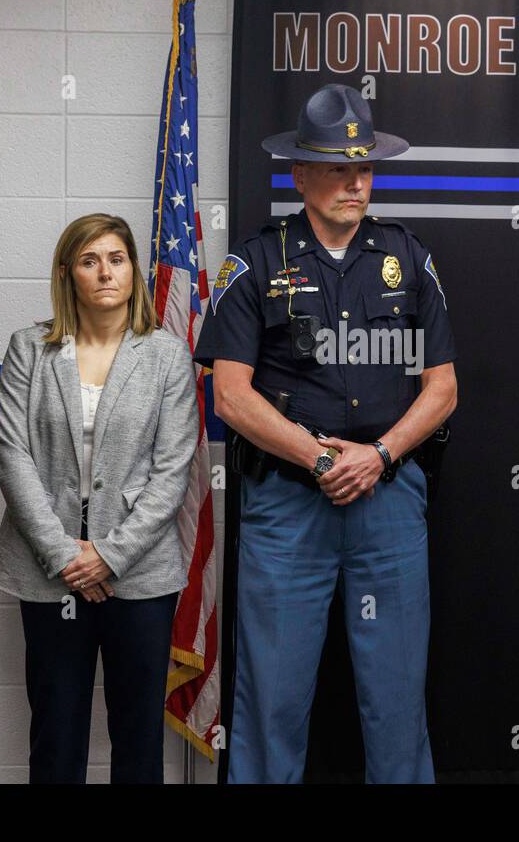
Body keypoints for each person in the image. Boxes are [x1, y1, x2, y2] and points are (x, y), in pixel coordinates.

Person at [196, 83, 458, 784]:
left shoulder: (410, 258)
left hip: (389, 497)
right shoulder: (254, 263)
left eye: (364, 168)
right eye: (337, 169)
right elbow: (229, 393)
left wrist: (377, 455)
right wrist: (317, 457)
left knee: (396, 702)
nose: (354, 182)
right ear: (300, 175)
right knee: (272, 702)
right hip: (288, 505)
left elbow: (443, 388)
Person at [0, 213, 198, 784]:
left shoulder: (167, 356)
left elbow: (171, 469)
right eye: (89, 260)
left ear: (133, 269)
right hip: (48, 569)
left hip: (140, 573)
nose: (105, 272)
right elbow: (13, 456)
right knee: (56, 735)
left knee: (137, 741)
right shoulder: (29, 349)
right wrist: (66, 557)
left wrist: (109, 555)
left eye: (117, 258)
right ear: (66, 273)